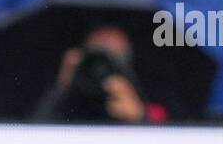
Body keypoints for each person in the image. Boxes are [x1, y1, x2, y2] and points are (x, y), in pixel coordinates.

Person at [31, 25, 167, 124]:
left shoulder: (150, 108)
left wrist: (139, 119)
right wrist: (61, 88)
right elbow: (33, 142)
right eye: (97, 57)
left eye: (113, 59)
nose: (101, 68)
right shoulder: (65, 103)